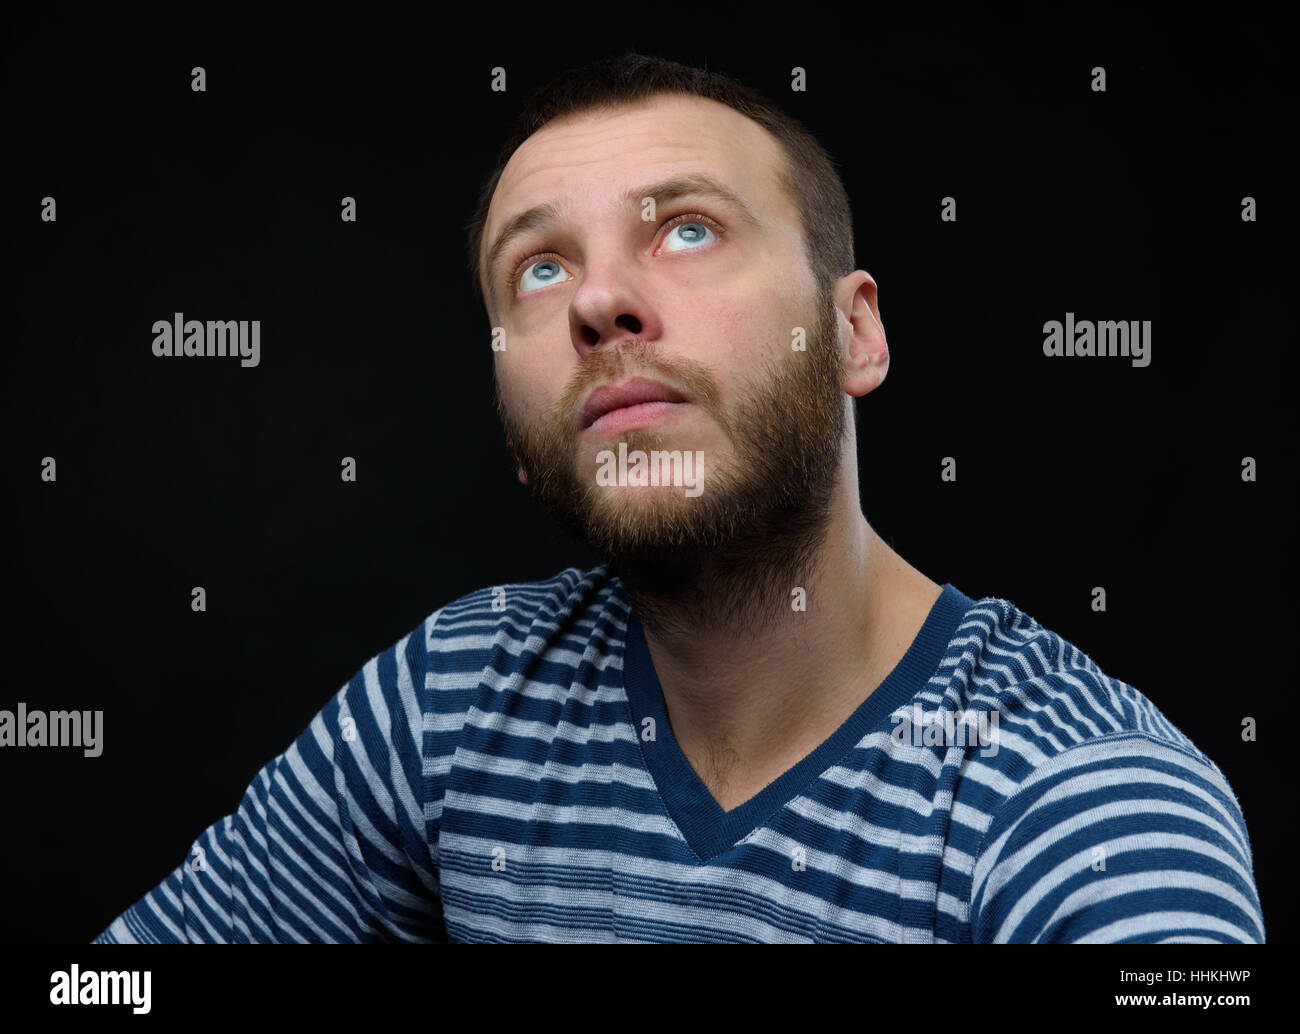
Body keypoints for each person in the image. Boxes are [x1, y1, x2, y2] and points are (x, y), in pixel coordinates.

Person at [93, 52, 1264, 944]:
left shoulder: (1084, 803)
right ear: (514, 422)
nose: (598, 300)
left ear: (853, 329)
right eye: (539, 267)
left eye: (687, 229)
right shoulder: (452, 697)